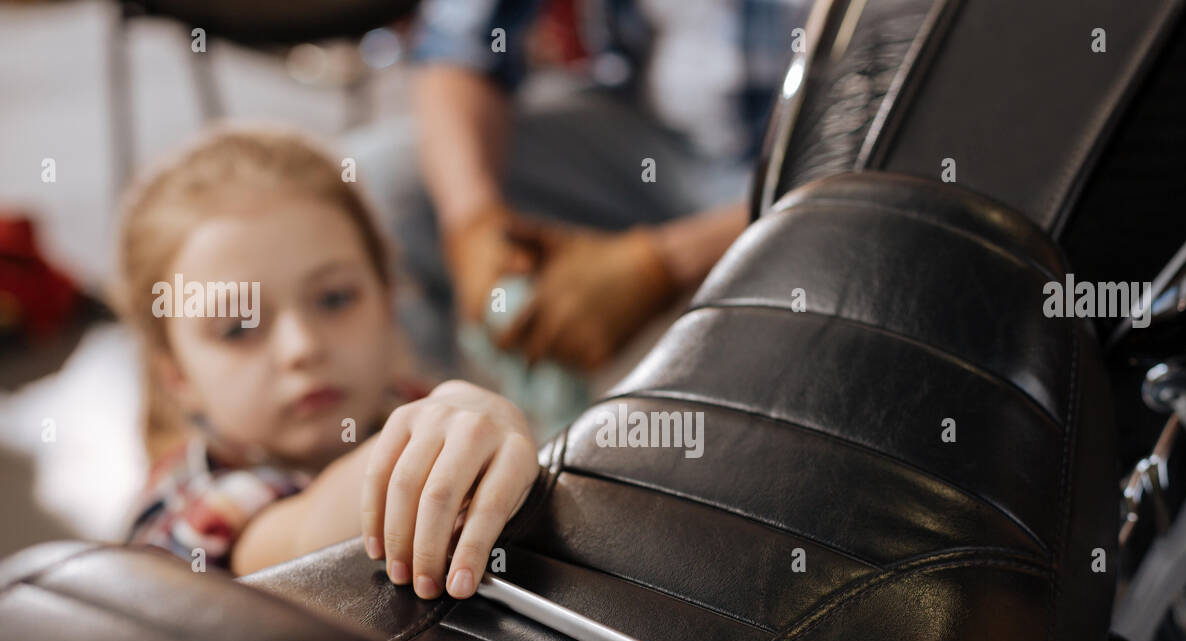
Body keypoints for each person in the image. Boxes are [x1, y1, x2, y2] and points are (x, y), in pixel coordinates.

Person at [117, 125, 540, 602]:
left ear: (386, 300)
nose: (302, 347)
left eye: (334, 298)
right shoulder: (189, 511)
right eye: (238, 328)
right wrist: (456, 429)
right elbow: (302, 538)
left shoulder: (414, 404)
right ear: (177, 377)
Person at [351, 0, 812, 378]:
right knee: (378, 188)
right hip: (648, 138)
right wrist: (472, 221)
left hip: (821, 161)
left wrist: (659, 264)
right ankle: (414, 446)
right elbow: (457, 45)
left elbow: (875, 155)